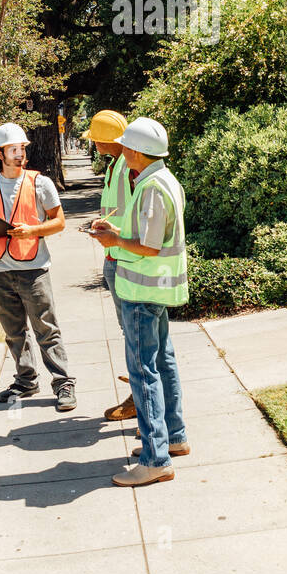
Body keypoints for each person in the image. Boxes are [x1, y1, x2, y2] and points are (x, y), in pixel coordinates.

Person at [91, 117, 189, 487]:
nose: (124, 152)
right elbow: (150, 236)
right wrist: (118, 232)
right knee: (163, 361)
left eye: (126, 147)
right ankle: (174, 439)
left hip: (140, 290)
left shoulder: (149, 186)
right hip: (156, 289)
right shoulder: (164, 180)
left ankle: (155, 459)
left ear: (135, 150)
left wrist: (113, 242)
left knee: (143, 371)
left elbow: (147, 246)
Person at [0, 122, 77, 413]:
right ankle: (26, 379)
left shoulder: (40, 183)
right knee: (14, 331)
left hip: (33, 269)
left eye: (22, 149)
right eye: (14, 150)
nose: (20, 155)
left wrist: (33, 230)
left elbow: (59, 221)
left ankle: (63, 382)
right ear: (0, 154)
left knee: (46, 328)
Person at [80, 109, 136, 422]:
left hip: (126, 258)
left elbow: (138, 214)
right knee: (128, 330)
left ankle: (140, 400)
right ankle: (139, 393)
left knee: (134, 333)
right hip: (114, 256)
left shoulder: (130, 166)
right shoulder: (116, 164)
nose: (95, 144)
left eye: (98, 138)